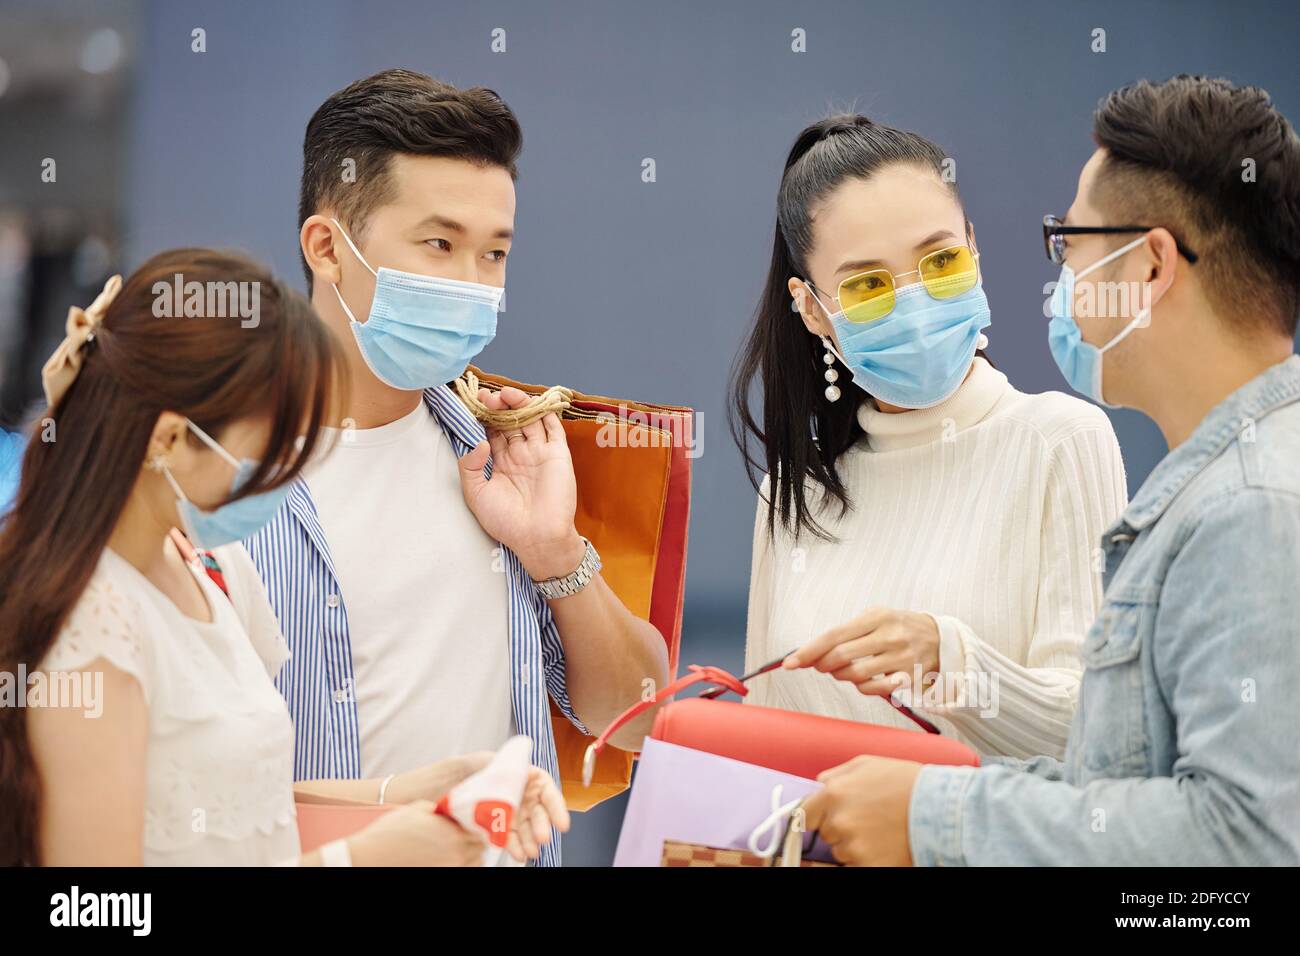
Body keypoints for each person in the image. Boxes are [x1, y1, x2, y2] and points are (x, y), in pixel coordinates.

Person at [802, 75, 1300, 865]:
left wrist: (937, 817)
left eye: (1071, 246)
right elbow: (1126, 782)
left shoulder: (1255, 506)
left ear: (1149, 266)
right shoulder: (1219, 495)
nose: (1060, 277)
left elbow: (1246, 845)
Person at [0, 249, 568, 866]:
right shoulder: (94, 627)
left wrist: (413, 795)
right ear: (167, 440)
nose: (286, 475)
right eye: (267, 450)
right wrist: (358, 860)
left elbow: (239, 804)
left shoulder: (209, 569)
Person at [246, 69, 669, 866]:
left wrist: (556, 555)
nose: (474, 284)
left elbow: (641, 717)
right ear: (328, 248)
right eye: (440, 244)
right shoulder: (218, 480)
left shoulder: (509, 454)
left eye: (495, 253)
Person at [730, 115, 1127, 759]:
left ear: (974, 250)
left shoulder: (1060, 441)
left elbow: (1097, 731)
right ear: (810, 309)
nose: (913, 303)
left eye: (939, 261)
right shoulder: (793, 492)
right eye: (866, 285)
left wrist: (948, 658)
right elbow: (760, 740)